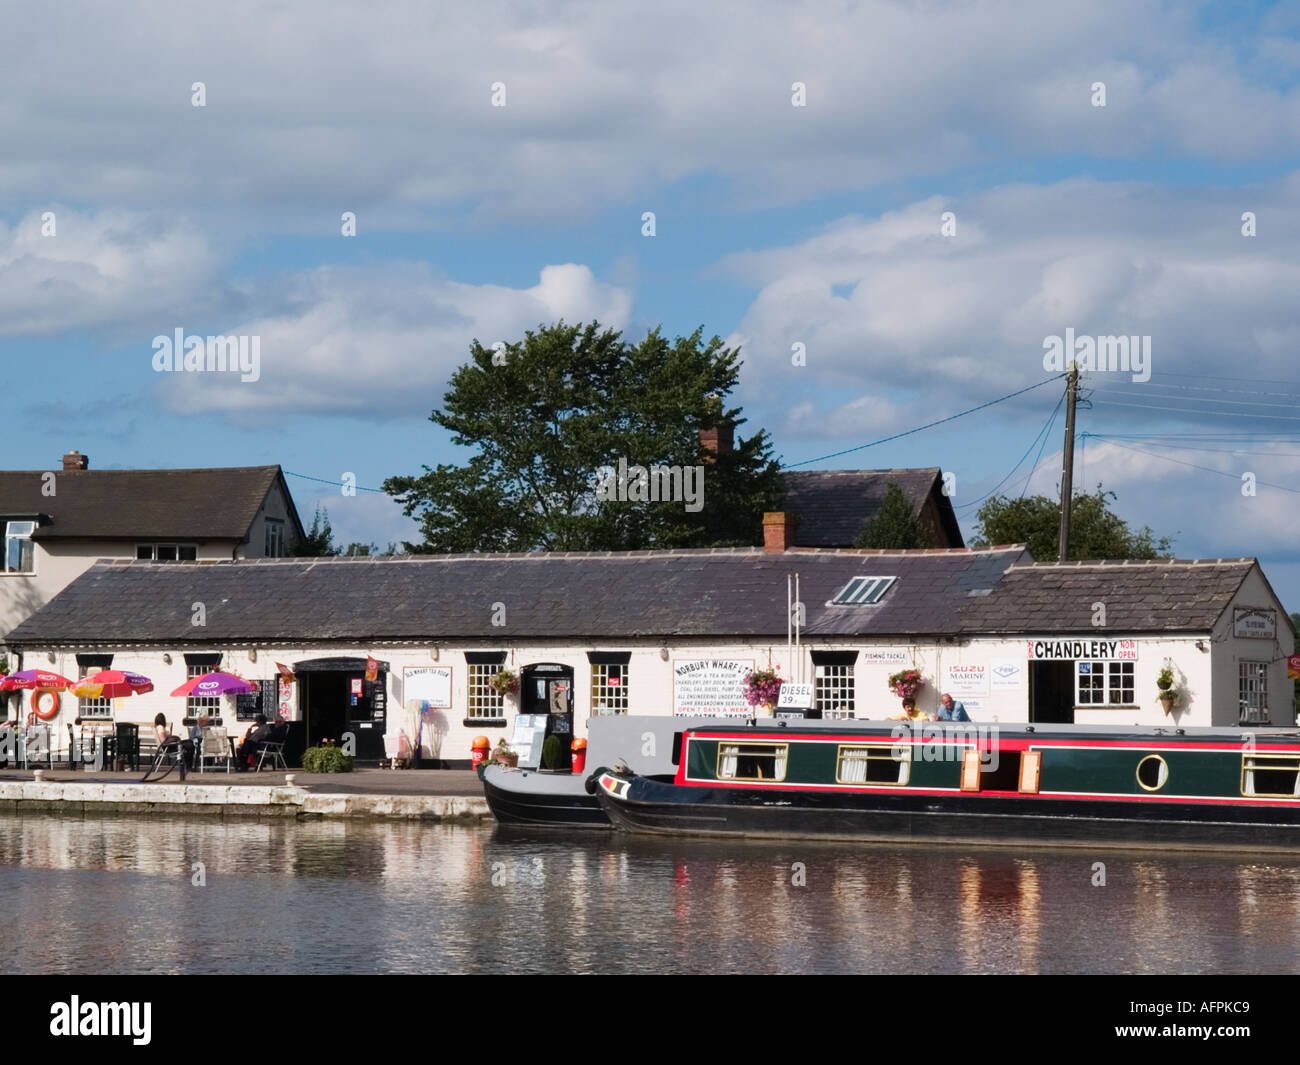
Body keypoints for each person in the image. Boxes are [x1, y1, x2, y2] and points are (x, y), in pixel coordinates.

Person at [152, 712, 190, 781]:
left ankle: (187, 766)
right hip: (168, 747)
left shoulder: (158, 727)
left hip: (168, 746)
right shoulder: (161, 728)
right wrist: (174, 738)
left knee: (188, 743)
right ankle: (188, 766)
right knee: (189, 745)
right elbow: (164, 740)